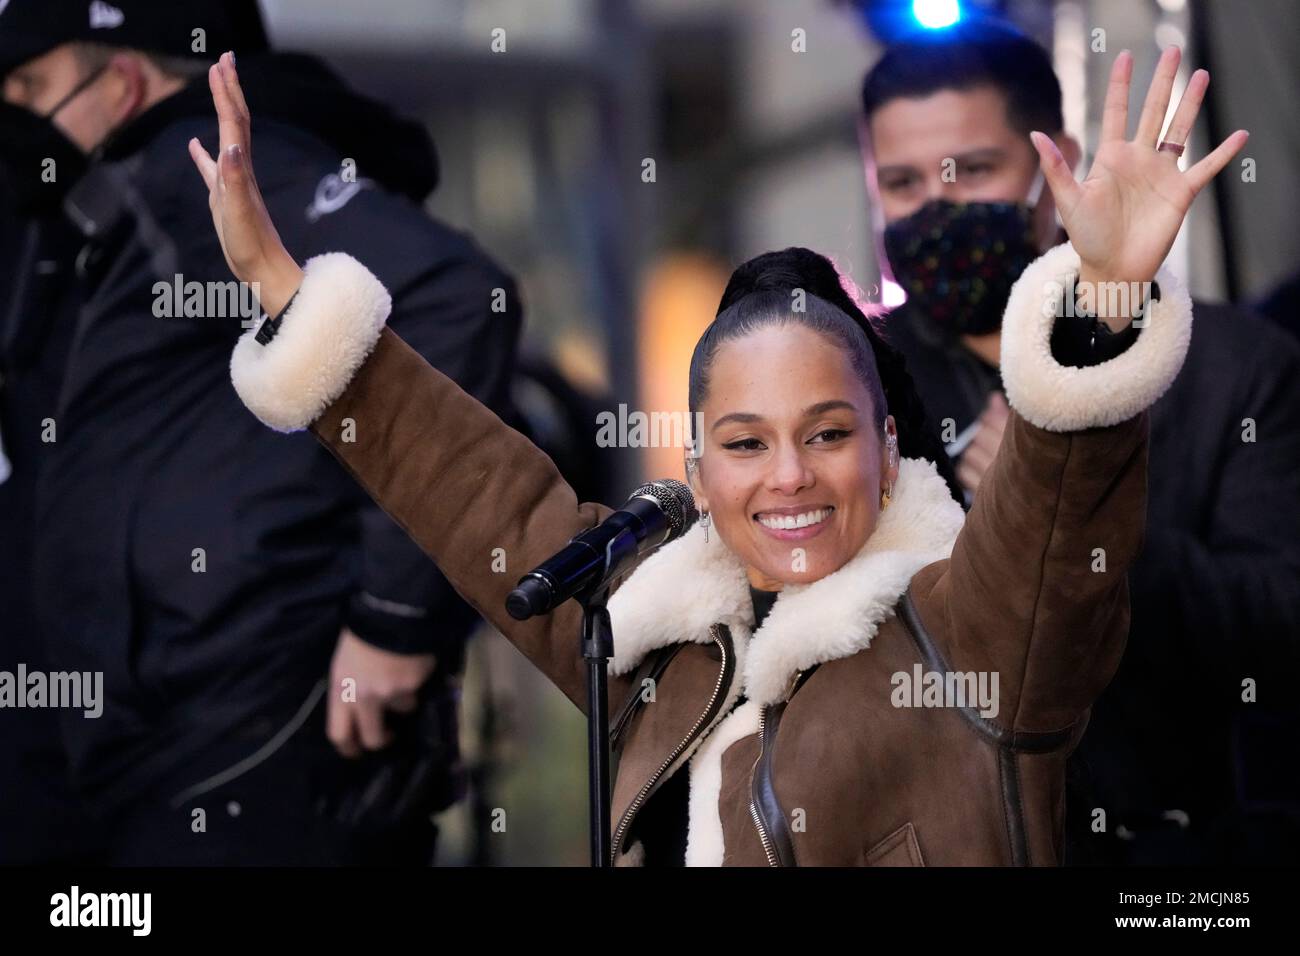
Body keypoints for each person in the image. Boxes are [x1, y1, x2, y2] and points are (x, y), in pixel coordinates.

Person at [190, 47, 1245, 865]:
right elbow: (474, 490)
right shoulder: (651, 638)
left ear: (886, 448)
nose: (786, 474)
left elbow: (1062, 519)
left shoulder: (971, 626)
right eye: (744, 443)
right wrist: (291, 297)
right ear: (695, 471)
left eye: (827, 433)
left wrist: (1103, 299)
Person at [0, 0, 521, 863]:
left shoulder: (197, 163)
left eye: (30, 86)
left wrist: (396, 621)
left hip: (256, 739)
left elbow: (458, 299)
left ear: (123, 79)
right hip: (179, 744)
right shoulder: (99, 219)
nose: (16, 118)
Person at [860, 22, 1300, 863]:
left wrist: (1076, 513)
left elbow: (1280, 631)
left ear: (1054, 162)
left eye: (974, 169)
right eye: (903, 182)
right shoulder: (856, 380)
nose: (937, 208)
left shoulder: (1234, 371)